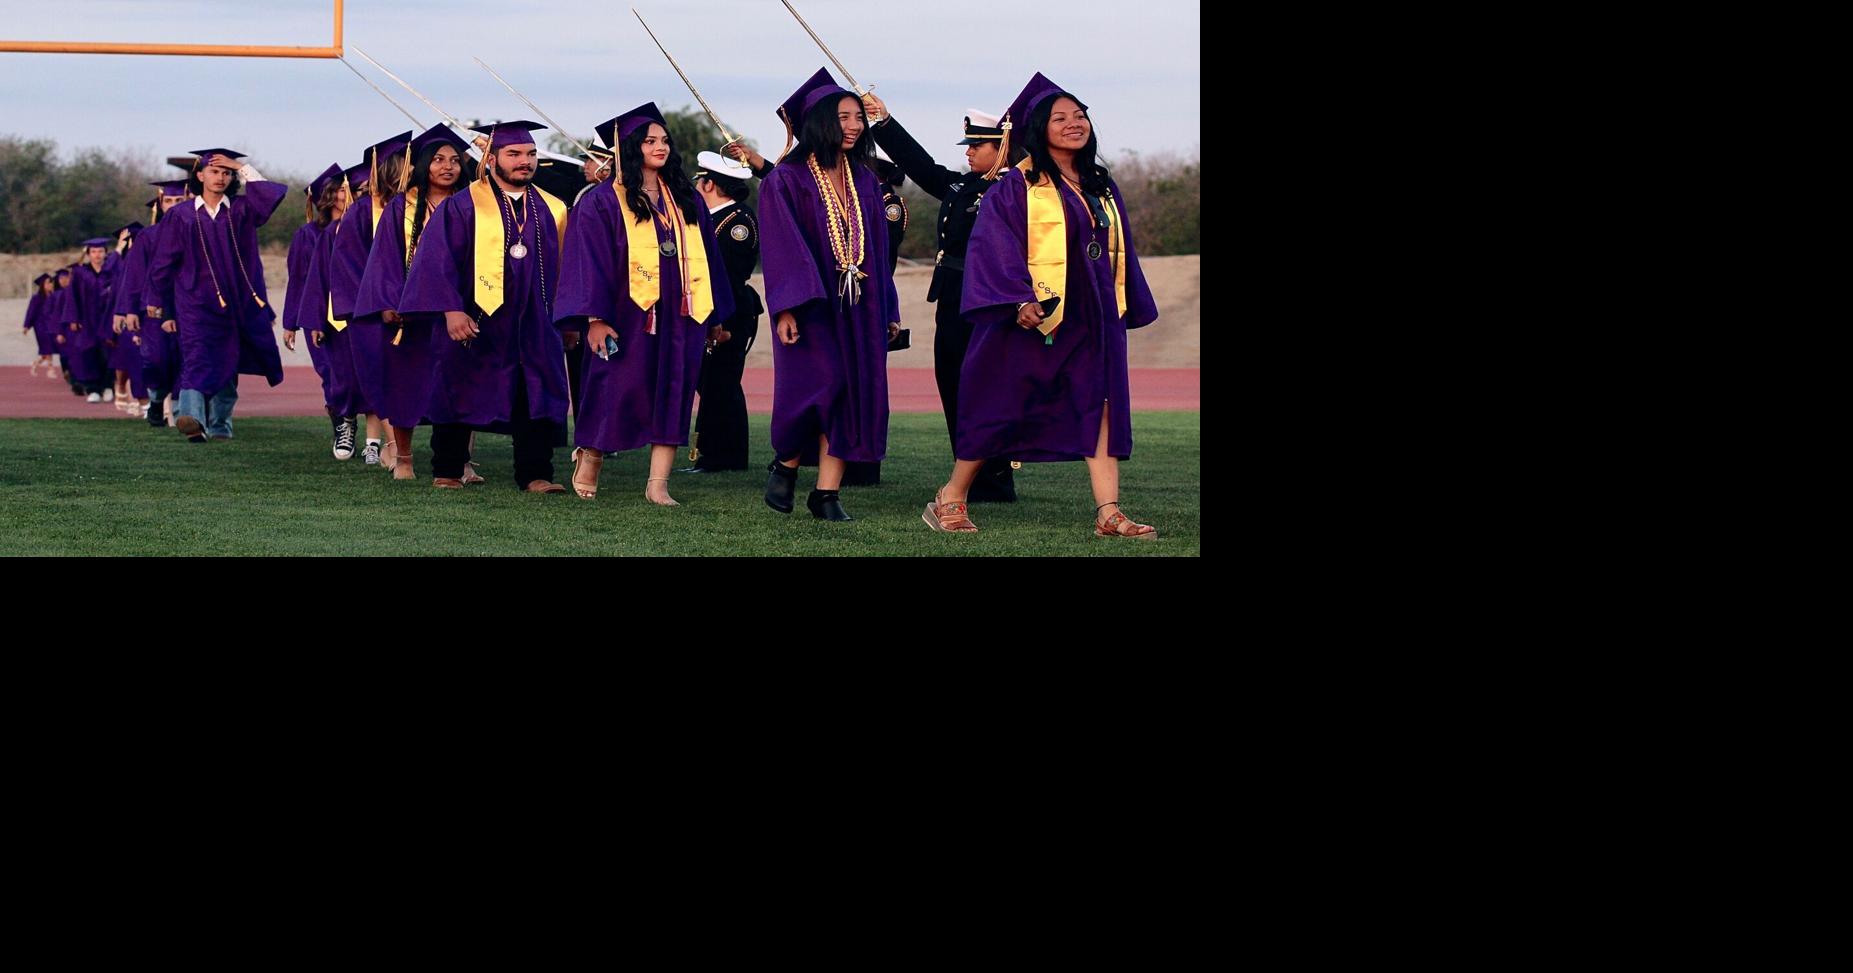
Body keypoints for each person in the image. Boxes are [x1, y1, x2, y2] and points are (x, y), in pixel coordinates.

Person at [923, 74, 1159, 538]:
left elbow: (1117, 249)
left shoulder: (1099, 182)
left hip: (1091, 317)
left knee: (1102, 404)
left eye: (1080, 115)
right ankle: (952, 495)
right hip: (1034, 317)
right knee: (1000, 403)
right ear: (1038, 128)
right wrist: (1015, 299)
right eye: (1060, 117)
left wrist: (1123, 303)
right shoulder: (1017, 185)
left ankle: (1108, 512)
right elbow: (994, 243)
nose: (1075, 123)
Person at [554, 103, 734, 503]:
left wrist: (715, 314)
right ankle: (592, 455)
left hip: (682, 314)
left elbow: (710, 257)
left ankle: (658, 484)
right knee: (615, 386)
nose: (661, 146)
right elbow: (588, 260)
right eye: (650, 140)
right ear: (631, 147)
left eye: (665, 140)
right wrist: (595, 318)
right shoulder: (602, 201)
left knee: (676, 389)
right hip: (626, 312)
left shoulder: (686, 199)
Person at [755, 68, 900, 522]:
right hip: (813, 306)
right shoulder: (788, 179)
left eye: (858, 117)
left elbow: (878, 248)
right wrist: (787, 307)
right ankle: (787, 462)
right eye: (844, 117)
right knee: (818, 386)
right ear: (819, 120)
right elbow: (782, 246)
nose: (855, 125)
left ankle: (827, 493)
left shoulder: (864, 180)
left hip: (860, 304)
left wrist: (889, 309)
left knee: (852, 393)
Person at [399, 121, 571, 493]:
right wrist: (450, 309)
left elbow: (567, 269)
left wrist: (567, 319)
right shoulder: (462, 206)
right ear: (491, 159)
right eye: (514, 155)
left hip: (535, 321)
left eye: (530, 154)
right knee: (458, 385)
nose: (524, 162)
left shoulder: (553, 209)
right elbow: (437, 260)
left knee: (535, 391)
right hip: (475, 317)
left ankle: (536, 474)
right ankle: (447, 467)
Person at [354, 122, 479, 481]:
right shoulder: (401, 207)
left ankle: (462, 461)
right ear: (423, 165)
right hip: (412, 315)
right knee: (406, 388)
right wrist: (388, 302)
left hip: (457, 310)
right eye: (438, 159)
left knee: (458, 388)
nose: (447, 166)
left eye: (455, 160)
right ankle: (404, 458)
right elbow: (385, 258)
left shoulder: (473, 206)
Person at [144, 149, 289, 443]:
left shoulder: (241, 210)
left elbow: (271, 196)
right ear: (199, 176)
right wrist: (157, 300)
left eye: (226, 172)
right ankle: (192, 418)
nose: (220, 177)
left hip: (236, 301)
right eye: (214, 171)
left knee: (228, 358)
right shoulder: (180, 216)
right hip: (194, 301)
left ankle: (221, 421)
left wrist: (241, 166)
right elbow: (163, 262)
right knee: (196, 356)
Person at [676, 149, 762, 474]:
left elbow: (728, 274)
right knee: (712, 384)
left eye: (701, 182)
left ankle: (724, 457)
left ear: (710, 184)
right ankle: (713, 455)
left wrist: (719, 319)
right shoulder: (713, 219)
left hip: (730, 312)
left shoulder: (737, 221)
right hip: (712, 311)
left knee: (722, 384)